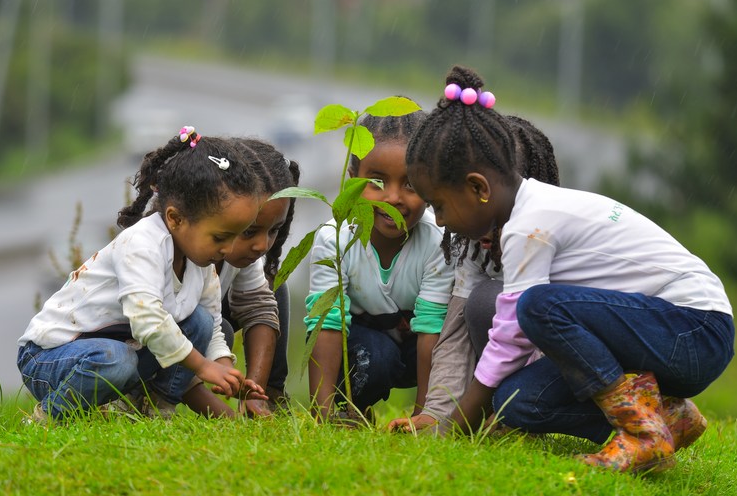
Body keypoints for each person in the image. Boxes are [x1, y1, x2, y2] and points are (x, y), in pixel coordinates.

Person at [404, 66, 735, 474]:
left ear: (479, 188)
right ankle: (669, 420)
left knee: (537, 306)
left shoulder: (531, 224)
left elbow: (513, 334)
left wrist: (456, 425)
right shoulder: (528, 213)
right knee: (518, 401)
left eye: (439, 204)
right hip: (662, 336)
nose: (437, 220)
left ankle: (640, 431)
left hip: (694, 331)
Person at [17, 127, 267, 421]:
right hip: (51, 357)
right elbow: (149, 321)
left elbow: (211, 327)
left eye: (236, 236)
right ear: (175, 218)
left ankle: (151, 410)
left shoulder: (201, 262)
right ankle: (49, 418)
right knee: (116, 361)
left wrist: (225, 372)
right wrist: (202, 367)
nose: (228, 249)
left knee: (198, 321)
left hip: (118, 352)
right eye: (221, 236)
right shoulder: (142, 245)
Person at [389, 115, 562, 433]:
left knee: (495, 303)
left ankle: (519, 413)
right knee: (480, 304)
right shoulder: (473, 243)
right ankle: (507, 410)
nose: (439, 222)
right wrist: (436, 414)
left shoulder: (543, 233)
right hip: (519, 365)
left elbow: (543, 333)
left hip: (579, 361)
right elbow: (455, 335)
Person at [305, 107, 454, 422]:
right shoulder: (334, 240)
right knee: (377, 358)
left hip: (419, 353)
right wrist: (322, 413)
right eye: (376, 181)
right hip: (364, 351)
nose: (393, 197)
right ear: (353, 180)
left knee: (456, 341)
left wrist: (424, 416)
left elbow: (431, 332)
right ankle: (348, 412)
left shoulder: (437, 243)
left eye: (411, 184)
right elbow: (326, 326)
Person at [182, 137, 301, 419]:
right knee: (215, 324)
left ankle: (270, 395)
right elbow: (163, 333)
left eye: (274, 230)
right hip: (147, 338)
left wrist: (254, 393)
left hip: (202, 320)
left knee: (274, 285)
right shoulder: (177, 253)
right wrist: (224, 415)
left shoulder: (243, 255)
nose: (262, 245)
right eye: (250, 232)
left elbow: (259, 309)